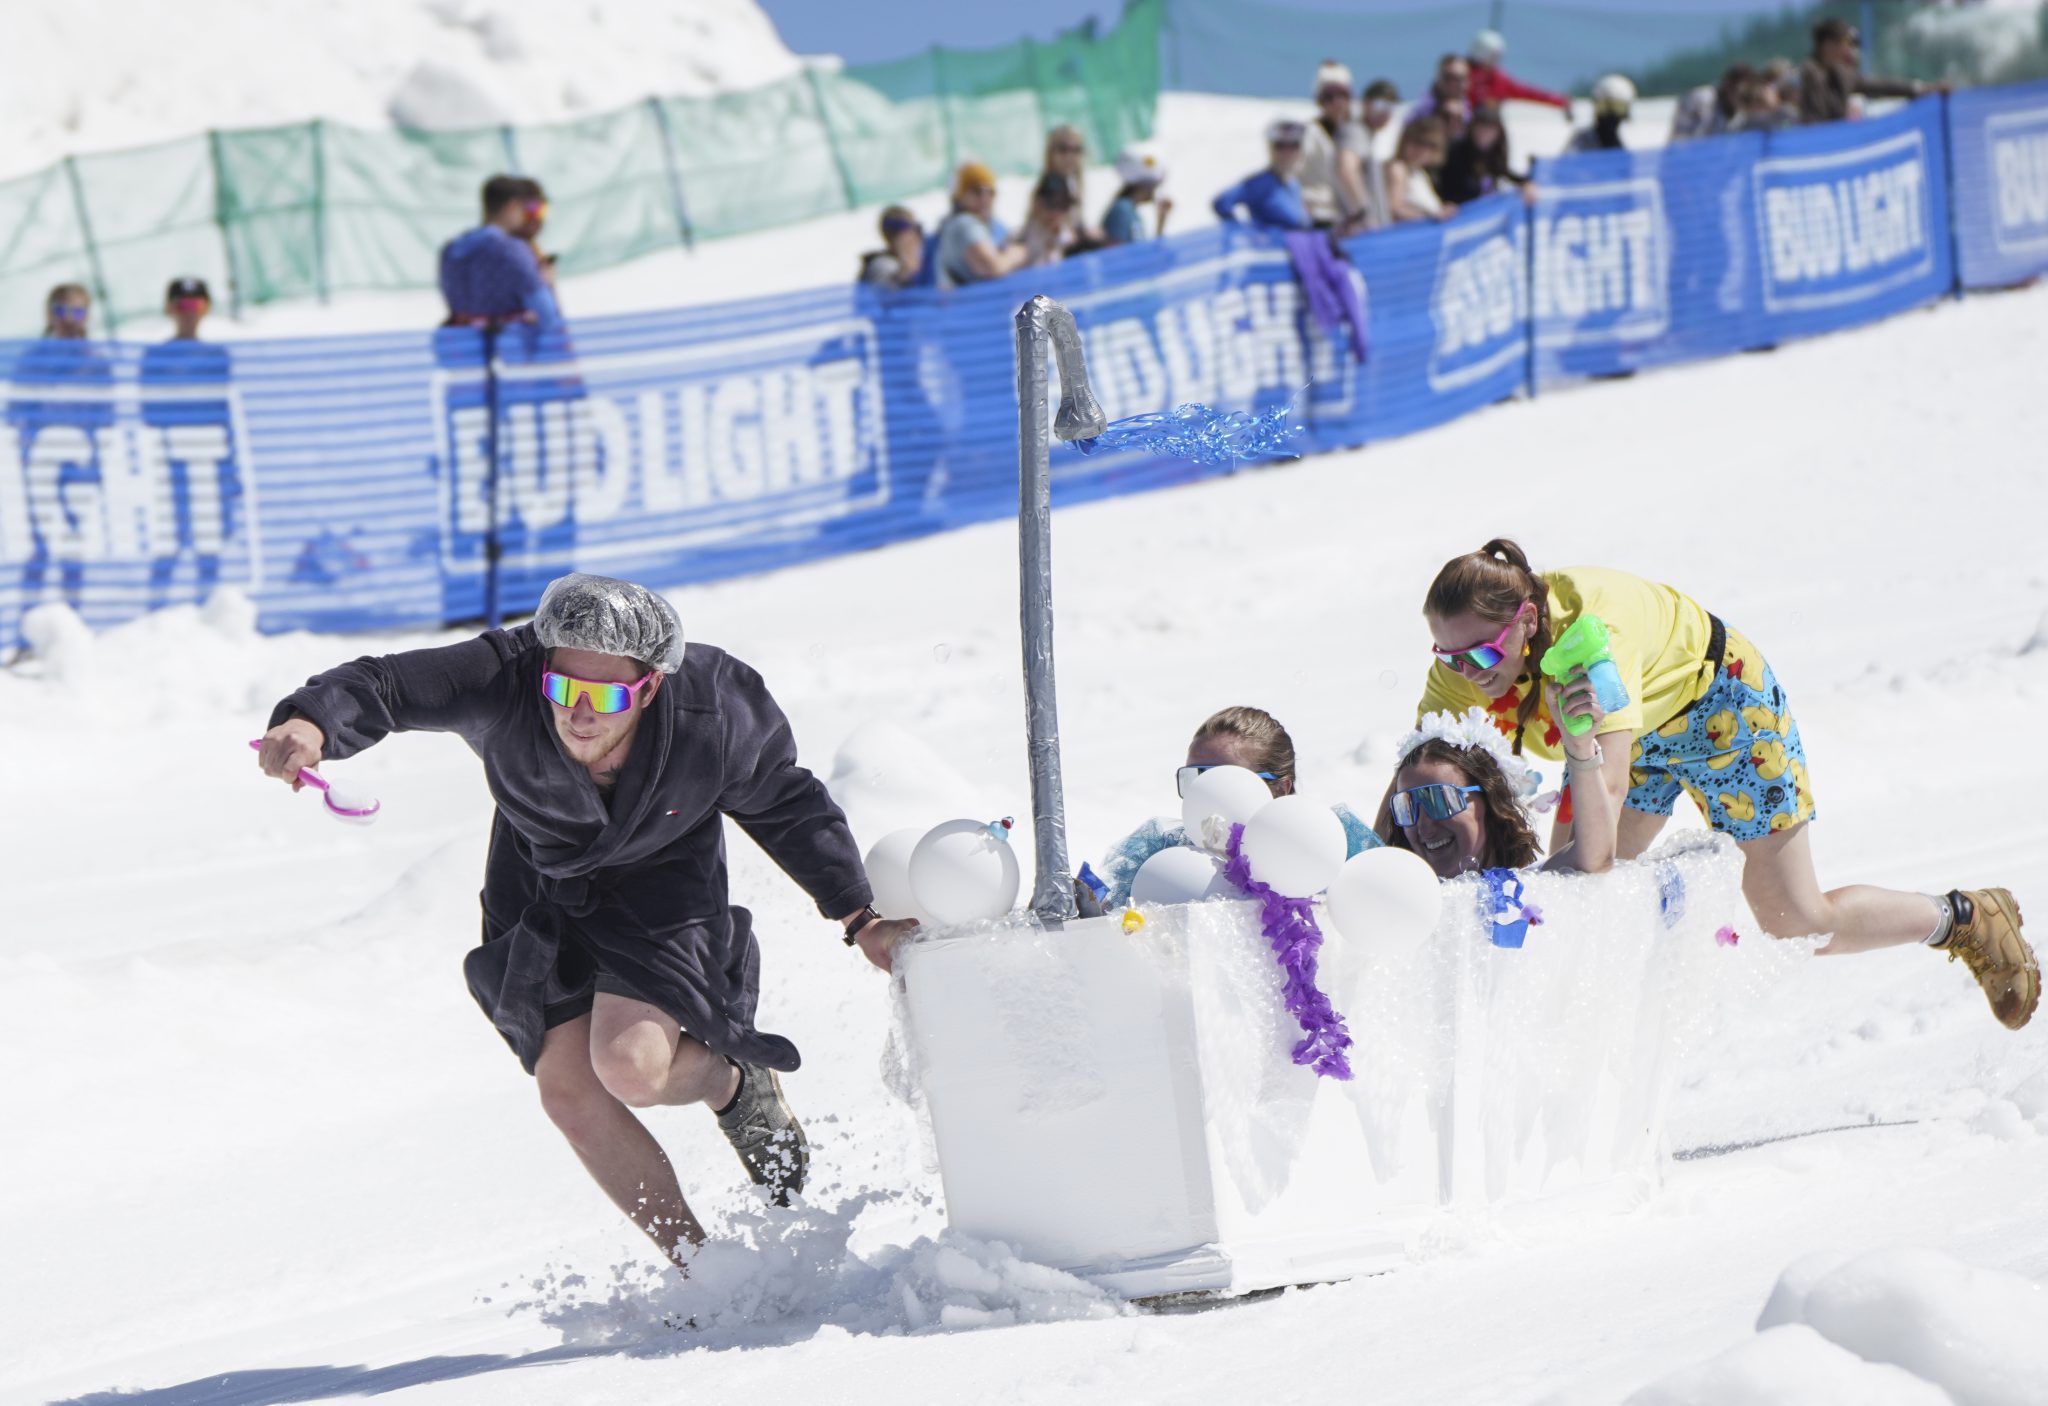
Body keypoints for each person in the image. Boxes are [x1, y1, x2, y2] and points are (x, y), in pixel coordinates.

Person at [253, 574, 917, 1269]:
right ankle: (700, 1268)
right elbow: (384, 685)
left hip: (663, 887)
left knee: (632, 1068)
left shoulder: (714, 710)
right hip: (540, 886)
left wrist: (858, 915)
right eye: (565, 689)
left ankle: (730, 1082)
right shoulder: (506, 676)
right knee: (567, 1092)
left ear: (652, 686)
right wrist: (312, 722)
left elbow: (786, 804)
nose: (579, 714)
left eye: (605, 696)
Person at [1396, 539, 2039, 1030]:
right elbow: (1420, 775)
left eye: (1480, 656)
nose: (1466, 674)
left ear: (1529, 620)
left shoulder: (1596, 645)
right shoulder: (1463, 662)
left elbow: (1602, 808)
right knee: (1568, 904)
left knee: (1792, 920)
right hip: (1630, 729)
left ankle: (1962, 917)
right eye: (1448, 658)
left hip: (1722, 706)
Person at [1096, 706, 1382, 908]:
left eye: (1227, 779)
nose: (1208, 792)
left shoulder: (1324, 853)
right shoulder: (1164, 862)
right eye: (1196, 777)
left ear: (1281, 788)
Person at [1381, 707, 1615, 878]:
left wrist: (1580, 749)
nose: (1424, 826)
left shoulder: (1528, 890)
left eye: (1441, 799)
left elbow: (1595, 856)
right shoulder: (1402, 906)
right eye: (1407, 806)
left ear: (1490, 800)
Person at [438, 175, 561, 329]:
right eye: (530, 209)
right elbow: (548, 317)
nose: (535, 218)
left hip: (465, 347)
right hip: (511, 348)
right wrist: (546, 283)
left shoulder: (451, 250)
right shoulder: (513, 250)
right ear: (512, 206)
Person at [1799, 19, 1934, 126]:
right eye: (1845, 43)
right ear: (1828, 45)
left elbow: (1879, 85)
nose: (1848, 51)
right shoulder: (1811, 73)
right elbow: (1815, 122)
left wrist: (1920, 88)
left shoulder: (1839, 73)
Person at [934, 161, 1030, 289]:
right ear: (960, 195)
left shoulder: (991, 225)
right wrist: (1019, 252)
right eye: (977, 191)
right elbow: (993, 268)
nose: (985, 198)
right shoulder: (964, 223)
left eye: (991, 192)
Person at [1300, 61, 1369, 230]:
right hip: (1318, 217)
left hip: (1345, 220)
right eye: (1329, 96)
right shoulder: (1310, 133)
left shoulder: (1352, 132)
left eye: (1342, 95)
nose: (1336, 102)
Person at [1212, 120, 1314, 231]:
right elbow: (1222, 203)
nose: (1287, 152)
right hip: (1271, 247)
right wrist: (1242, 231)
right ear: (1270, 148)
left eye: (1294, 146)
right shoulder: (1259, 183)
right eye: (1280, 146)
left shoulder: (1294, 184)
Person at [1465, 29, 1570, 115]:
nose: (1497, 60)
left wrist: (1560, 100)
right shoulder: (1463, 75)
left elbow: (1529, 92)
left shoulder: (1499, 80)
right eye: (1494, 56)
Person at [1436, 104, 1522, 206]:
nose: (1484, 132)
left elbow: (1503, 171)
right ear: (1472, 128)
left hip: (1482, 210)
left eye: (1490, 128)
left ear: (1499, 133)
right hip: (1461, 213)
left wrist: (1525, 183)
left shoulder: (1492, 153)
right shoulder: (1456, 152)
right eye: (1480, 126)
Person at [1039, 124, 1102, 248]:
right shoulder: (1052, 185)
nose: (1070, 156)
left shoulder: (1070, 181)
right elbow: (1057, 230)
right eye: (1063, 149)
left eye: (1077, 149)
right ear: (1051, 152)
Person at [1350, 79, 1401, 231]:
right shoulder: (1355, 132)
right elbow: (1347, 169)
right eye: (1380, 104)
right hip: (1365, 234)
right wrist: (1364, 215)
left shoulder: (1369, 137)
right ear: (1365, 103)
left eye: (1390, 106)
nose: (1385, 111)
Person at [1385, 116, 1455, 223]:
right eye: (1418, 142)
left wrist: (1443, 210)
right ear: (1406, 141)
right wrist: (1431, 216)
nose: (1422, 150)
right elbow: (1394, 209)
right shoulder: (1398, 168)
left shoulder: (1420, 172)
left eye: (1431, 146)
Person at [1101, 142, 1169, 246]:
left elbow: (1149, 255)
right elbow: (1114, 253)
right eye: (1156, 185)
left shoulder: (1130, 211)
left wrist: (1161, 221)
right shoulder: (1122, 210)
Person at [1670, 65, 1754, 143]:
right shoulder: (1701, 99)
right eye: (1741, 94)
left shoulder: (1740, 112)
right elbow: (1679, 137)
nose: (1743, 99)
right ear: (1728, 85)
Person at [1409, 54, 1473, 143]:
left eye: (1460, 78)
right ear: (1438, 79)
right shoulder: (1420, 113)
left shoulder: (1472, 115)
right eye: (1449, 77)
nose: (1453, 84)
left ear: (1468, 82)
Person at [1019, 174, 1077, 268]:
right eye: (1049, 204)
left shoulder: (1070, 240)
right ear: (1036, 203)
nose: (1055, 212)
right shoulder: (1021, 238)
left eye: (1062, 205)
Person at [858, 206, 924, 289]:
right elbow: (888, 294)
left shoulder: (926, 256)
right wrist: (907, 271)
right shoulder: (881, 265)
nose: (914, 237)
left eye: (917, 229)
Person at [1567, 75, 1635, 153]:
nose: (1610, 114)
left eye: (1617, 107)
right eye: (1603, 106)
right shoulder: (1583, 140)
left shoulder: (1635, 137)